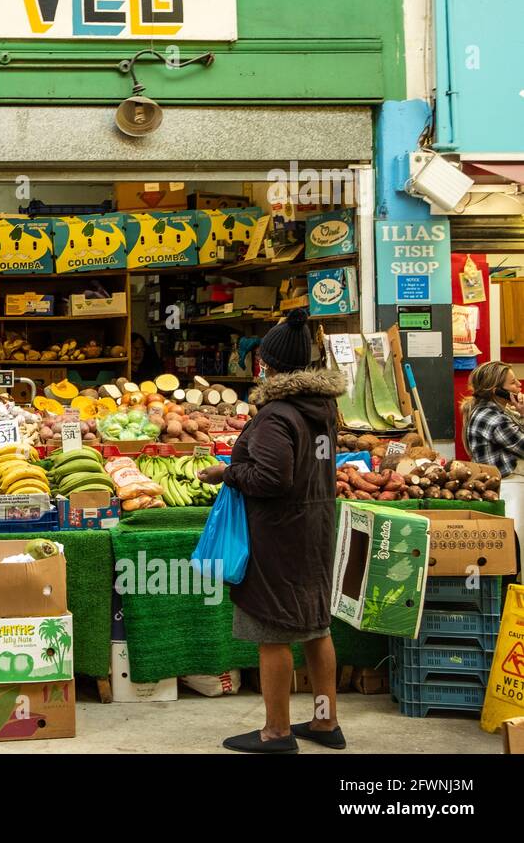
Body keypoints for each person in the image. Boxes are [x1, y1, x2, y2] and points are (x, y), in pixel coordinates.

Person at [196, 308, 348, 753]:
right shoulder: (322, 409)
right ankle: (325, 722)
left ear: (269, 363)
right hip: (315, 529)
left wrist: (225, 473)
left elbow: (270, 479)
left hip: (279, 536)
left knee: (274, 631)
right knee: (317, 627)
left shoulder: (277, 414)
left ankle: (276, 732)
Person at [461, 361, 524, 478]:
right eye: (513, 382)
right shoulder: (495, 419)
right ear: (497, 391)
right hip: (506, 486)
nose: (519, 384)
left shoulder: (495, 410)